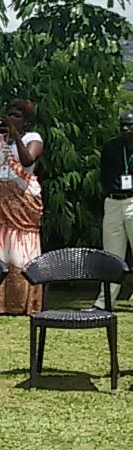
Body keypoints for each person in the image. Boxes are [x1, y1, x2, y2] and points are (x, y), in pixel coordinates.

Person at [0, 99, 45, 315]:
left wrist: (15, 136)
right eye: (10, 115)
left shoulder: (33, 139)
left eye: (17, 116)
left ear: (25, 120)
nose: (11, 119)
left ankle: (21, 303)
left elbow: (27, 160)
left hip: (22, 206)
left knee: (19, 252)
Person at [93, 109, 133, 310]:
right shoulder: (111, 147)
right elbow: (104, 175)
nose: (126, 128)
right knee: (112, 255)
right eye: (123, 125)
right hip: (113, 202)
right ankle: (105, 301)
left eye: (130, 125)